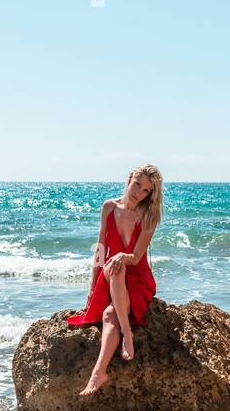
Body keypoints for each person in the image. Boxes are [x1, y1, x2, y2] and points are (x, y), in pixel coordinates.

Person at [68, 164, 163, 395]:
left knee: (110, 313)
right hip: (111, 275)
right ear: (130, 178)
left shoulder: (149, 216)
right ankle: (111, 355)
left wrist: (121, 255)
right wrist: (92, 287)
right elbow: (100, 249)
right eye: (137, 184)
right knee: (113, 268)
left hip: (137, 278)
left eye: (145, 191)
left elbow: (136, 257)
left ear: (150, 195)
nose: (138, 192)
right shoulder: (109, 207)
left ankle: (115, 350)